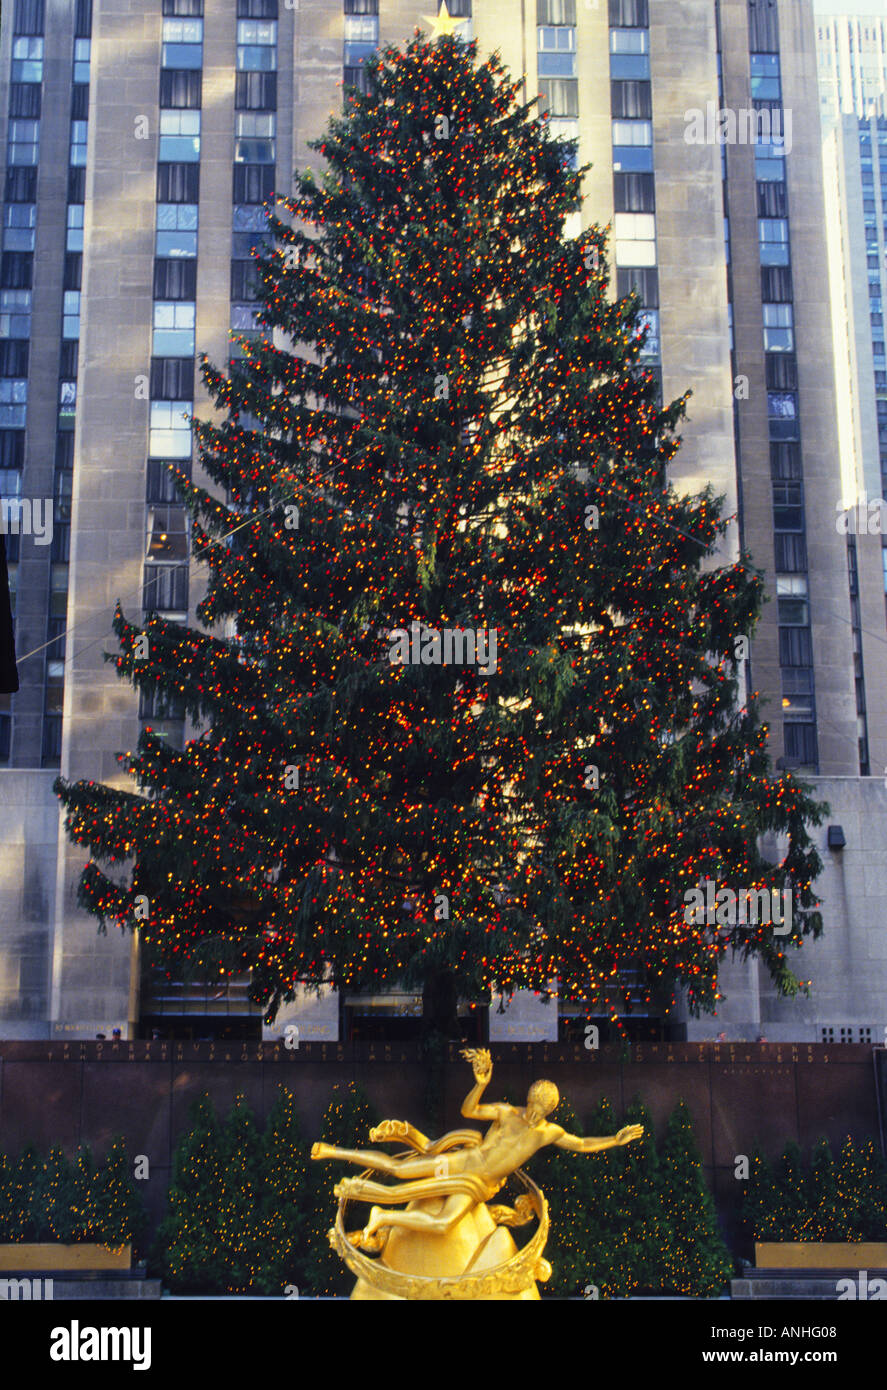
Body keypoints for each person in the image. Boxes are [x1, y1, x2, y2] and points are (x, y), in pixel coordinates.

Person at [312, 1046, 643, 1243]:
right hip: (460, 1164)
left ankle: (383, 1217)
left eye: (540, 1111)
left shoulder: (548, 1133)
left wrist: (614, 1140)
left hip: (477, 1186)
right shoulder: (505, 1112)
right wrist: (480, 1084)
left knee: (443, 1224)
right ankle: (334, 1151)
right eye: (531, 1105)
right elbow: (469, 1110)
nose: (532, 1114)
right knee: (399, 1169)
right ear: (526, 1100)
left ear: (549, 1112)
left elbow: (582, 1143)